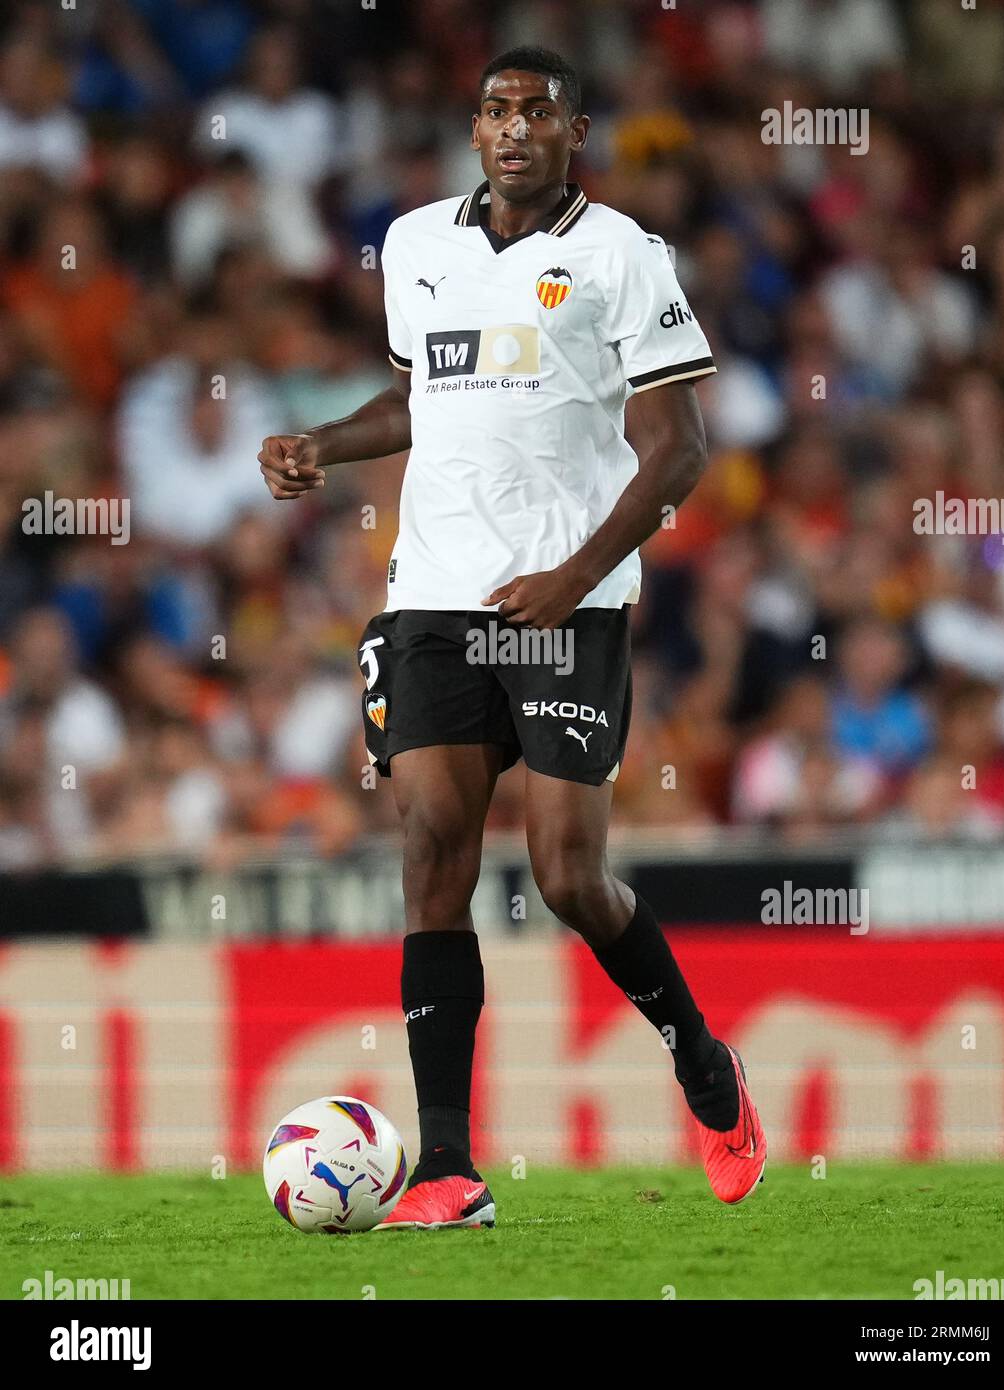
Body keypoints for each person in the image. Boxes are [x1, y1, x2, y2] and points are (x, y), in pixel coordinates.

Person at [258, 46, 766, 1228]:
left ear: (576, 130)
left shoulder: (620, 256)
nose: (512, 127)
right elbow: (416, 400)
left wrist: (576, 573)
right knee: (431, 855)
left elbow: (680, 444)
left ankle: (700, 1059)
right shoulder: (418, 246)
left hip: (567, 606)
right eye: (493, 109)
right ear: (472, 127)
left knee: (565, 875)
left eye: (537, 110)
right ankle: (446, 1167)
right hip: (430, 598)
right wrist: (322, 445)